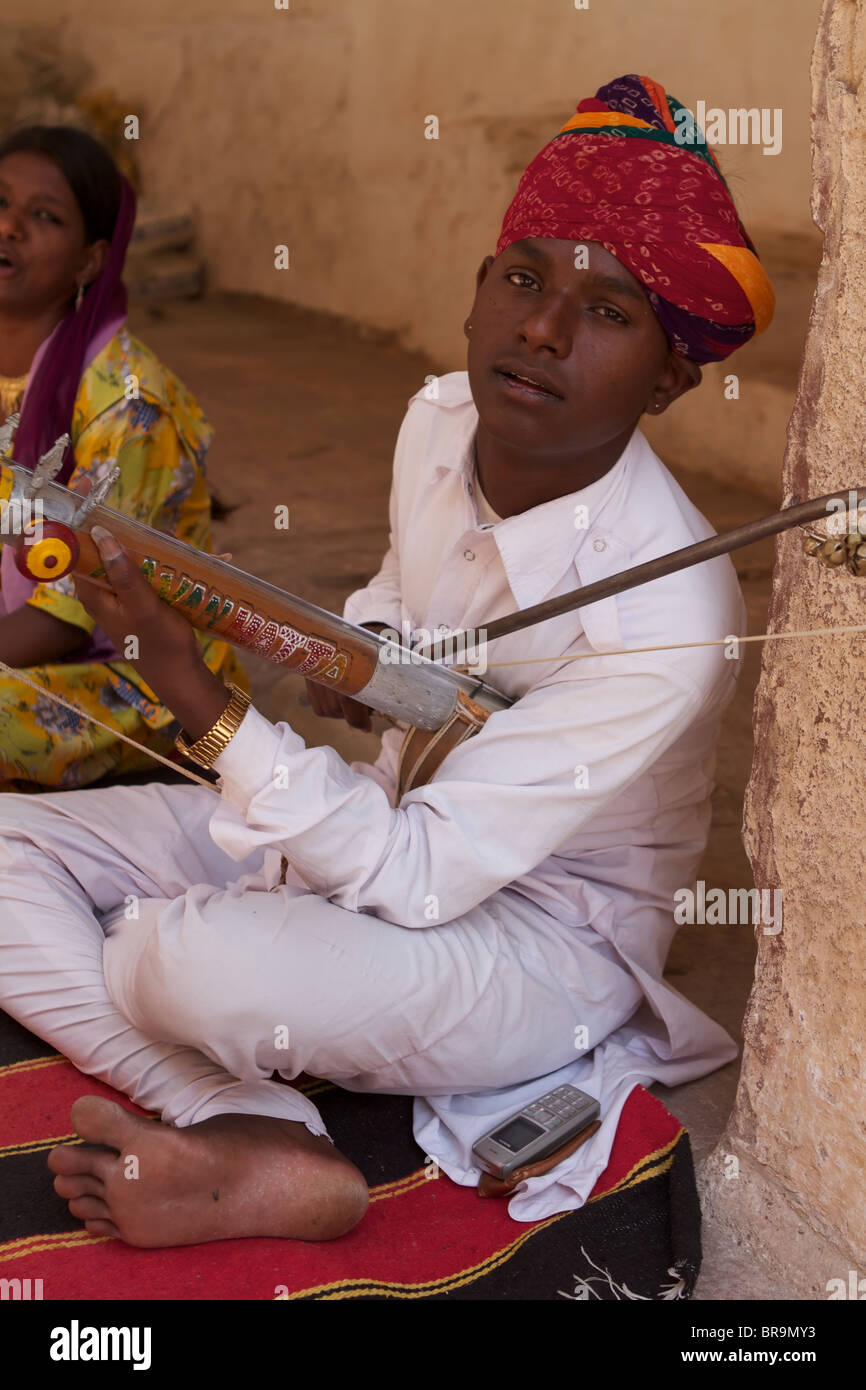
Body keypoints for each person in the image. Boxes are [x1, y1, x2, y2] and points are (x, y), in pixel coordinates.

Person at [0, 74, 774, 1246]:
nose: (542, 330)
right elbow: (392, 607)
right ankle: (235, 1116)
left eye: (608, 313)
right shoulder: (436, 421)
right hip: (372, 813)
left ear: (671, 376)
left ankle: (207, 1043)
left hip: (532, 943)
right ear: (477, 292)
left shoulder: (667, 608)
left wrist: (199, 695)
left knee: (182, 958)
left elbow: (419, 875)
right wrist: (356, 655)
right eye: (522, 279)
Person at [0, 125, 247, 791]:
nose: (9, 225)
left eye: (43, 216)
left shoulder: (127, 403)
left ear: (89, 263)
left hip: (138, 678)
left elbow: (64, 615)